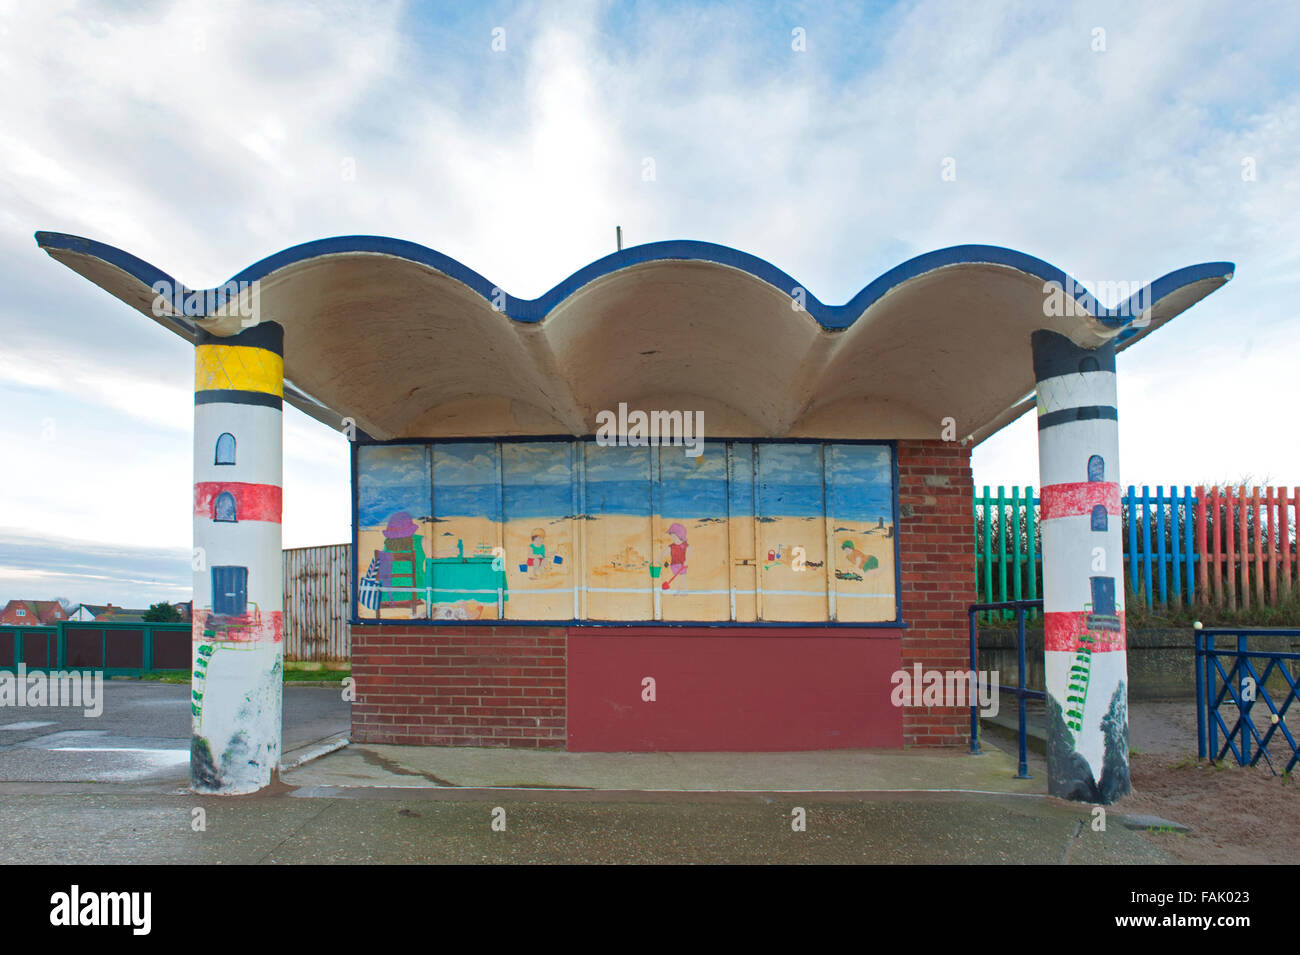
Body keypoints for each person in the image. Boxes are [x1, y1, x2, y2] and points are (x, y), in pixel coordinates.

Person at [661, 522, 688, 590]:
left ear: (680, 536)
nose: (673, 539)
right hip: (674, 565)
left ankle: (683, 589)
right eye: (672, 537)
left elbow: (690, 551)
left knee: (683, 577)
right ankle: (677, 589)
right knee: (676, 578)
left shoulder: (684, 545)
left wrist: (687, 560)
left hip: (683, 564)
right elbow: (664, 553)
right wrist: (661, 559)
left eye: (674, 537)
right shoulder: (672, 546)